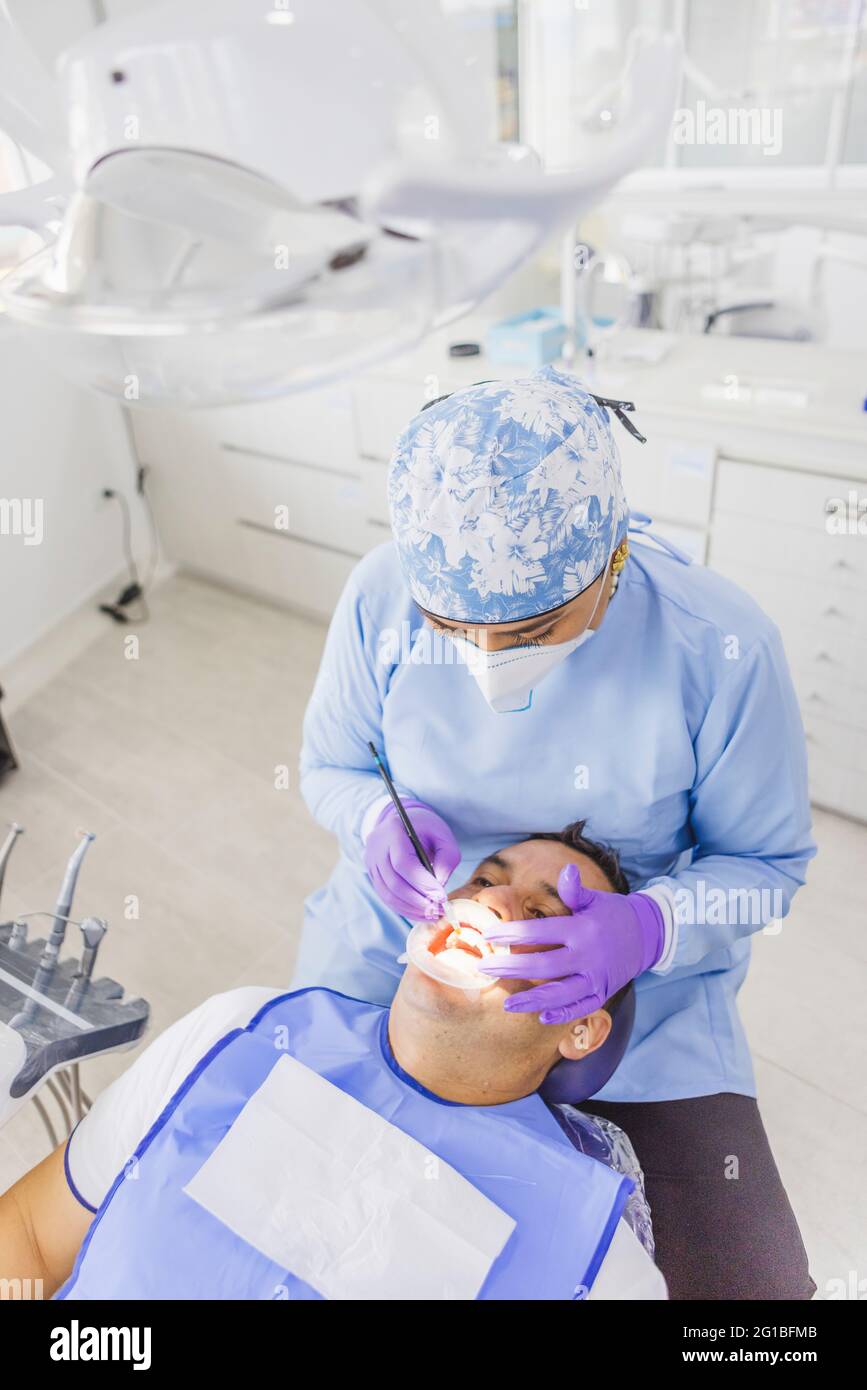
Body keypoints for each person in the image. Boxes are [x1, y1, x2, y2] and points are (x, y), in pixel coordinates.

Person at [296, 365, 816, 1299]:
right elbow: (331, 767)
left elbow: (767, 865)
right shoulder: (379, 595)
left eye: (532, 627)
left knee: (752, 1301)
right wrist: (376, 815)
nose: (486, 661)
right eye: (448, 627)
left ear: (611, 559)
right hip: (384, 954)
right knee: (313, 1214)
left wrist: (649, 930)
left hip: (637, 1000)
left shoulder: (717, 645)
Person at [0, 829, 664, 1301]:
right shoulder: (238, 1030)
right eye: (485, 880)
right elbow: (28, 1236)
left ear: (581, 1029)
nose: (490, 901)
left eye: (542, 912)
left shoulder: (599, 1267)